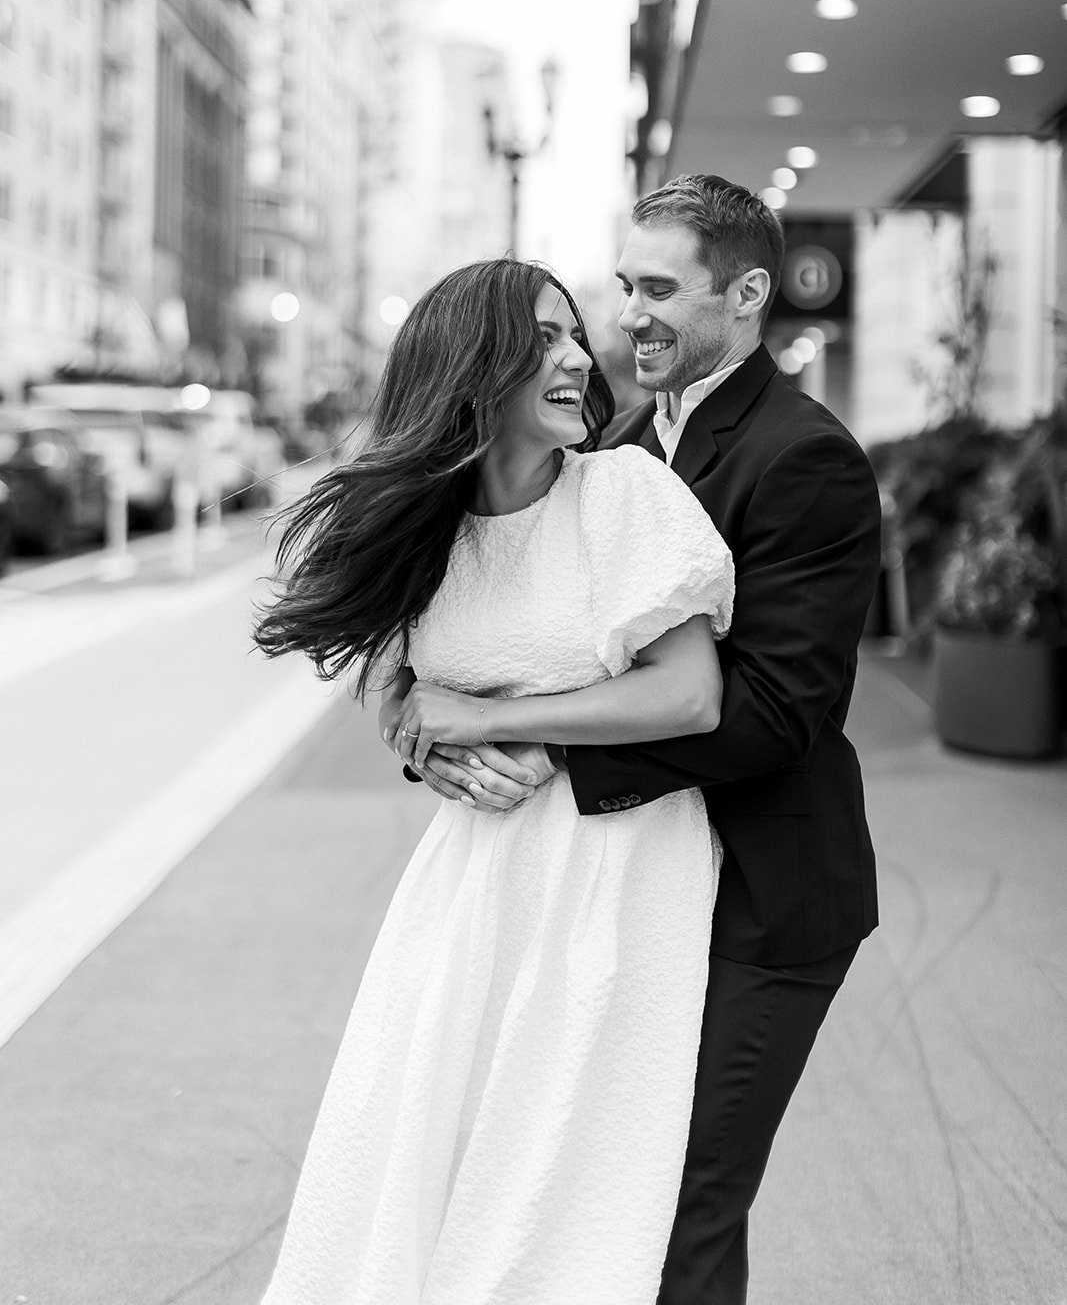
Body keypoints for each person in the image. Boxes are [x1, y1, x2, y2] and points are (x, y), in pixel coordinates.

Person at [411, 175, 882, 1305]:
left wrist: (529, 743)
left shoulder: (802, 458)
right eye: (622, 285)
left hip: (762, 897)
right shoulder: (610, 445)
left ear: (747, 293)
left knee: (679, 1200)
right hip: (620, 895)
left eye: (659, 288)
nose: (627, 316)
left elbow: (772, 711)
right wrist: (437, 744)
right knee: (589, 1195)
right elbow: (511, 636)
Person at [253, 256, 734, 1304]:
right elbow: (395, 690)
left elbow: (689, 694)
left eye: (573, 335)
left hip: (615, 870)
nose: (575, 358)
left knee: (561, 1167)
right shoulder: (427, 528)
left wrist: (490, 717)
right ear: (472, 368)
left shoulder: (622, 494)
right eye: (543, 339)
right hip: (471, 881)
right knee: (422, 1138)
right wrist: (421, 741)